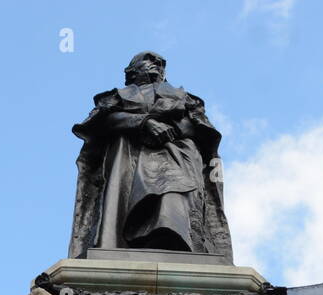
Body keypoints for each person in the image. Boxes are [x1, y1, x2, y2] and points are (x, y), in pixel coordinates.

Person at [69, 51, 232, 259]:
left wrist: (169, 128)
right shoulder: (117, 97)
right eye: (149, 60)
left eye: (161, 63)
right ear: (131, 71)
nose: (158, 63)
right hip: (130, 158)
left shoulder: (185, 97)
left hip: (178, 154)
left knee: (174, 193)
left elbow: (203, 130)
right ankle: (131, 242)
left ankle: (172, 240)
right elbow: (101, 124)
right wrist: (144, 123)